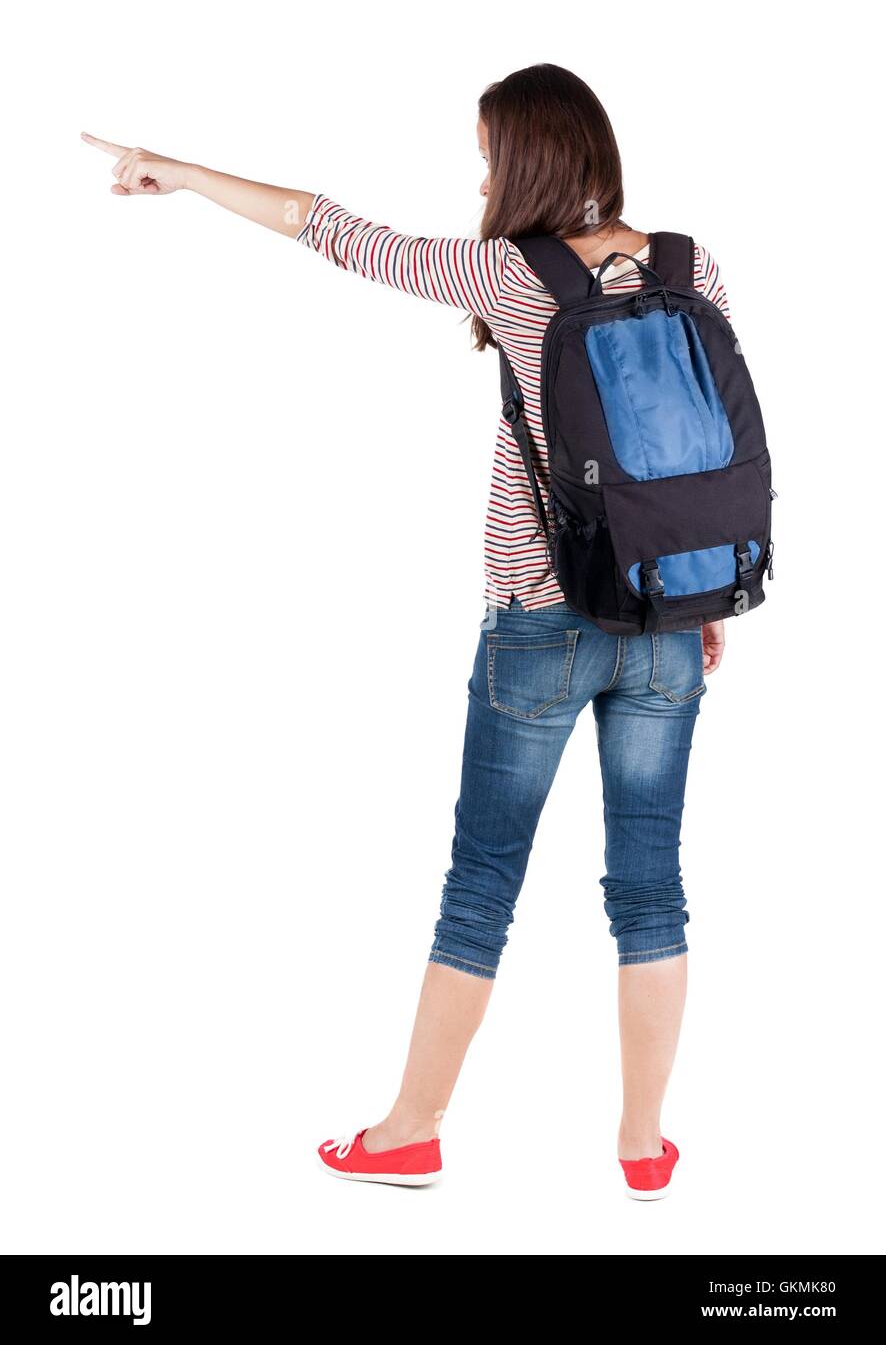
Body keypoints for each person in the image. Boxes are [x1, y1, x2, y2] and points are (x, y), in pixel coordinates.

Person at [82, 62, 733, 1199]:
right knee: (650, 886)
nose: (479, 172)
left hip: (541, 619)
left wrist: (176, 172)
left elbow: (325, 228)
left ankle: (409, 1130)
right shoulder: (690, 263)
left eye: (486, 153)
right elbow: (696, 443)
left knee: (481, 885)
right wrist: (693, 599)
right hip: (671, 611)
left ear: (523, 158)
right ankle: (642, 1147)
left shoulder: (506, 274)